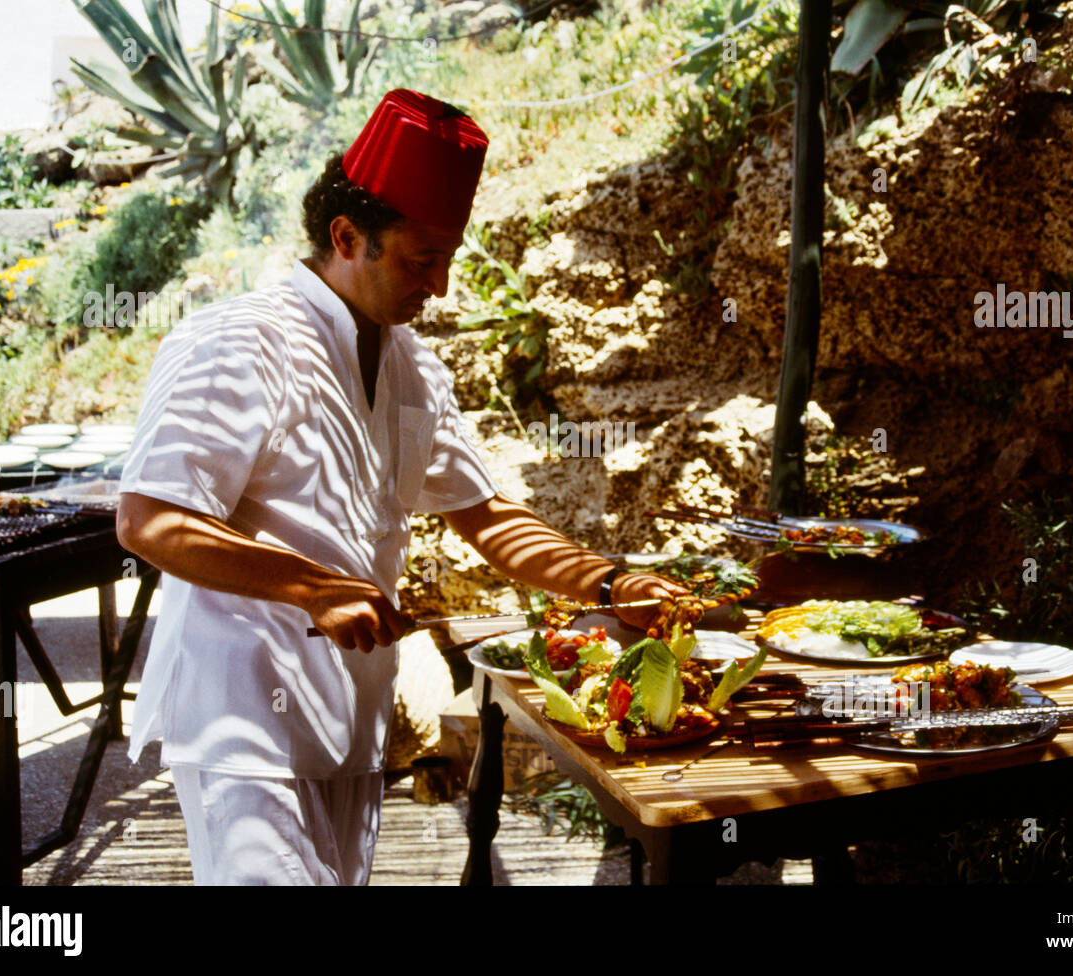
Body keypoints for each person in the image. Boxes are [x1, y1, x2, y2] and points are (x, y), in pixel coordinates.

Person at [115, 88, 682, 885]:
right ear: (348, 237)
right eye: (423, 260)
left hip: (351, 721)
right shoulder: (236, 340)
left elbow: (485, 514)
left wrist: (611, 581)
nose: (443, 286)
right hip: (243, 720)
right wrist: (313, 587)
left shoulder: (414, 365)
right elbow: (149, 522)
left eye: (447, 257)